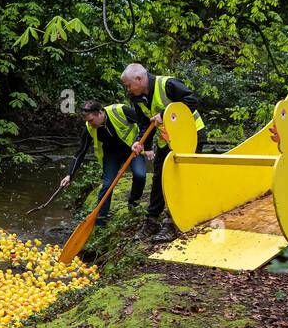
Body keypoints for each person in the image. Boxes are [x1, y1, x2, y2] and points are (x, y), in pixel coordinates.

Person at [121, 63, 206, 240]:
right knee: (159, 177)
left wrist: (165, 113)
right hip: (166, 140)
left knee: (180, 178)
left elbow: (192, 100)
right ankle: (152, 219)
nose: (128, 89)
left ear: (139, 79)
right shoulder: (136, 98)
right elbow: (146, 125)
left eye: (129, 84)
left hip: (191, 135)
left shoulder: (167, 84)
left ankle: (173, 221)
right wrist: (140, 142)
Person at [60, 101, 148, 227]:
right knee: (107, 184)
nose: (90, 124)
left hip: (132, 148)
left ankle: (133, 203)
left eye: (91, 120)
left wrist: (140, 141)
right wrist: (69, 175)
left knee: (140, 175)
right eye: (88, 121)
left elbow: (144, 123)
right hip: (111, 154)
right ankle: (100, 220)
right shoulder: (90, 127)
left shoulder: (121, 111)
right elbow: (81, 152)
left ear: (100, 113)